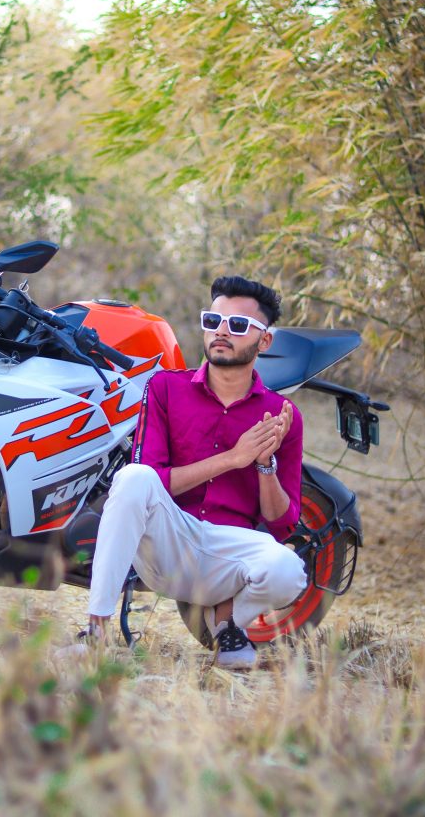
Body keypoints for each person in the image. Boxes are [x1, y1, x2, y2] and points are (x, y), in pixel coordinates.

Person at [81, 275, 307, 669]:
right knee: (134, 478)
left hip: (227, 550)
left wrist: (263, 463)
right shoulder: (166, 388)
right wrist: (232, 459)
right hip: (168, 538)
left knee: (289, 571)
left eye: (238, 325)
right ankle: (95, 633)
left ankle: (225, 627)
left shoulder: (280, 415)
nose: (221, 332)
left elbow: (283, 524)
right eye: (213, 321)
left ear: (264, 341)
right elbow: (151, 477)